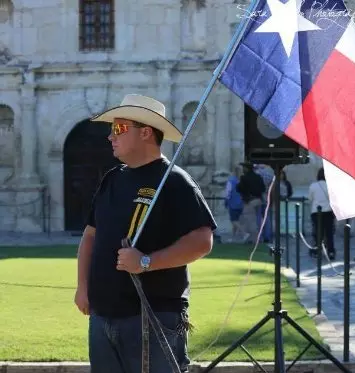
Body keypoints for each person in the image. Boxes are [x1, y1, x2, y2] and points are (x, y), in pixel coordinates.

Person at [74, 94, 217, 373]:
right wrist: (82, 286)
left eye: (119, 129)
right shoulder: (112, 178)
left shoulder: (174, 181)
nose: (110, 137)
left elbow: (202, 240)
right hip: (102, 316)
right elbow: (91, 235)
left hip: (153, 317)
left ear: (146, 133)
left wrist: (146, 262)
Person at [308, 167, 336, 260]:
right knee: (329, 233)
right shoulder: (331, 185)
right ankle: (331, 251)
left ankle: (317, 250)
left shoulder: (313, 186)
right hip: (328, 212)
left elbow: (310, 199)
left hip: (316, 212)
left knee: (317, 232)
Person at [236, 162, 266, 242]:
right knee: (257, 219)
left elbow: (239, 188)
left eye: (243, 167)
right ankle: (256, 237)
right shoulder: (258, 177)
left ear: (246, 168)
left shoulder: (244, 178)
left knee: (250, 220)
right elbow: (263, 188)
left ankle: (255, 239)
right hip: (259, 200)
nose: (242, 169)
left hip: (250, 201)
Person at [224, 166, 249, 242]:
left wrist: (226, 202)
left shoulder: (231, 181)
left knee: (233, 220)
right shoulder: (241, 181)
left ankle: (244, 233)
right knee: (236, 220)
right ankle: (233, 238)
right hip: (240, 203)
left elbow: (228, 192)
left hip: (233, 203)